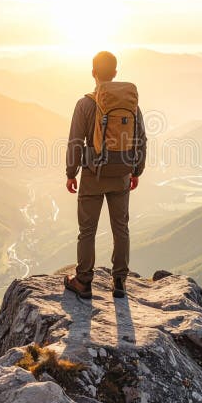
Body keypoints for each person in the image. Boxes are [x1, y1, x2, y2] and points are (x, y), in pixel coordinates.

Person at [64, 51, 146, 299]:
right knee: (121, 228)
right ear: (115, 73)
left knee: (87, 231)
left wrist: (71, 172)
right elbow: (140, 139)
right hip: (121, 173)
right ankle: (120, 282)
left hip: (92, 175)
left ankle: (84, 281)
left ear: (93, 72)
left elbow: (75, 142)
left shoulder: (85, 104)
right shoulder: (130, 103)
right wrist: (136, 170)